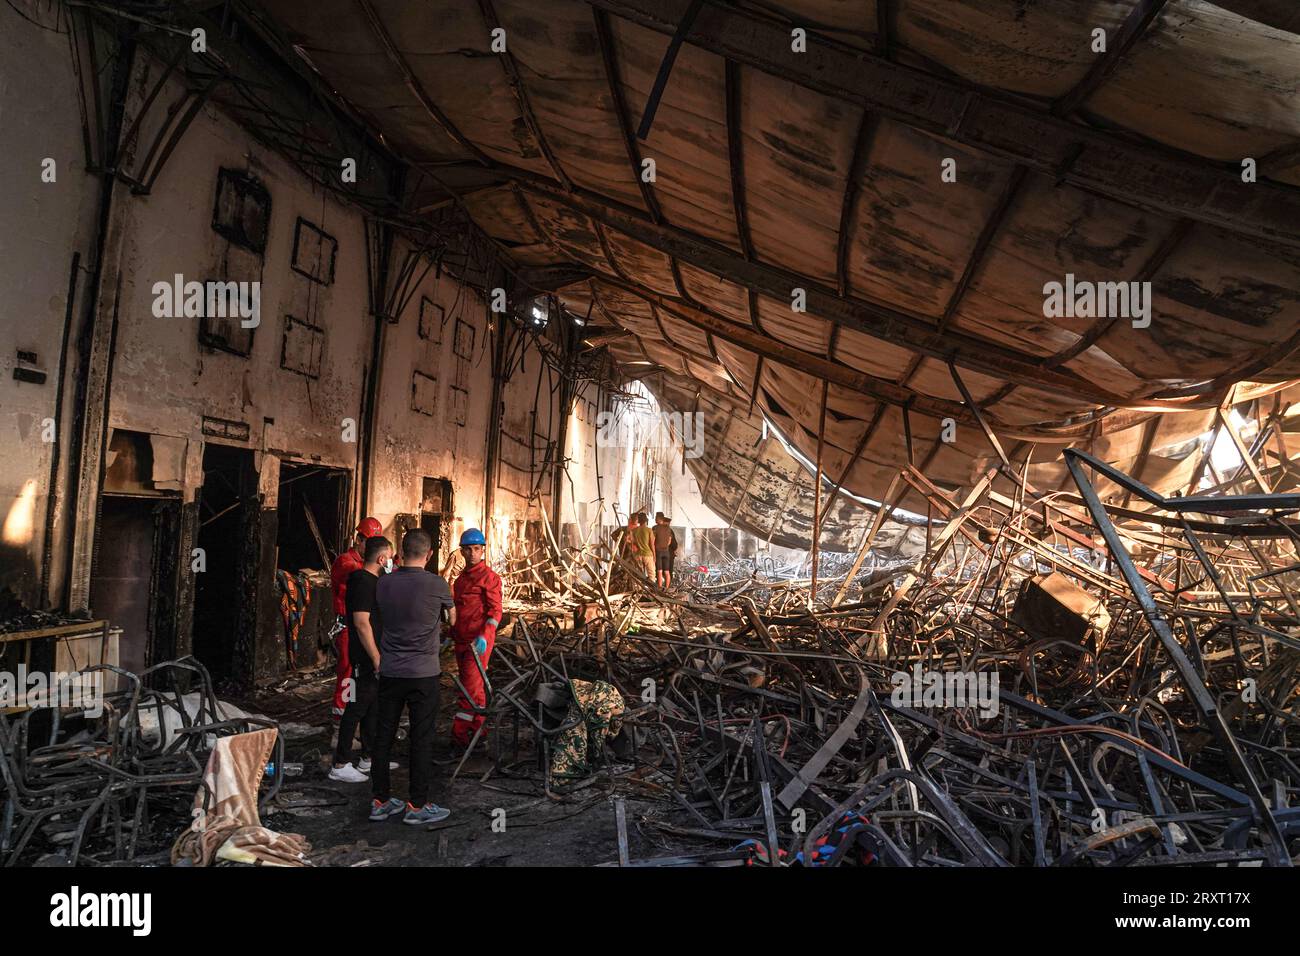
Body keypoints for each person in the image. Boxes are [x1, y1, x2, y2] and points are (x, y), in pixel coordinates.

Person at [369, 529, 456, 825]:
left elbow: (377, 617)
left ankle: (379, 800)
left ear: (401, 553)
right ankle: (416, 806)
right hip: (424, 674)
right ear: (429, 554)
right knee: (421, 737)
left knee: (383, 736)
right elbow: (452, 619)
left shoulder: (383, 584)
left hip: (390, 671)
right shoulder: (438, 584)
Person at [330, 535, 395, 783]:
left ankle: (369, 757)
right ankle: (340, 762)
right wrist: (376, 657)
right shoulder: (362, 582)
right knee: (356, 707)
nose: (391, 561)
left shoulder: (372, 580)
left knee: (372, 707)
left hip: (372, 656)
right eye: (389, 557)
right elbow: (360, 623)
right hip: (364, 657)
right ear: (381, 558)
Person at [450, 528, 503, 748]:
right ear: (461, 552)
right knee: (475, 688)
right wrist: (450, 635)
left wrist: (485, 635)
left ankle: (460, 737)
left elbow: (496, 612)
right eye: (468, 549)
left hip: (478, 643)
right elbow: (459, 611)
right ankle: (478, 733)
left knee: (468, 690)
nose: (472, 553)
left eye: (476, 549)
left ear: (482, 550)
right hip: (461, 641)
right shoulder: (461, 580)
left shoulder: (490, 578)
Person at [329, 517, 382, 721]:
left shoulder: (363, 563)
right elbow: (358, 574)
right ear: (358, 539)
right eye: (369, 543)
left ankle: (357, 716)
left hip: (361, 627)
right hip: (347, 629)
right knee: (347, 674)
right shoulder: (346, 562)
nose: (372, 548)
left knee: (362, 674)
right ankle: (341, 719)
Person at [653, 512, 678, 589]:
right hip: (667, 552)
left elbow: (652, 540)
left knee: (659, 571)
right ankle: (667, 588)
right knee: (667, 571)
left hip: (659, 551)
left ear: (659, 519)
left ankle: (660, 588)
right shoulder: (669, 529)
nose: (655, 519)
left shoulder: (655, 528)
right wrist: (666, 546)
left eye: (656, 517)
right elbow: (672, 542)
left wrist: (656, 548)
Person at [630, 512, 655, 582]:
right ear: (646, 521)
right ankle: (651, 590)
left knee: (639, 574)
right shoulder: (649, 530)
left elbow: (633, 542)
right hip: (648, 554)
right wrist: (654, 555)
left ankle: (639, 590)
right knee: (651, 574)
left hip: (638, 555)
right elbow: (652, 544)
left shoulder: (634, 530)